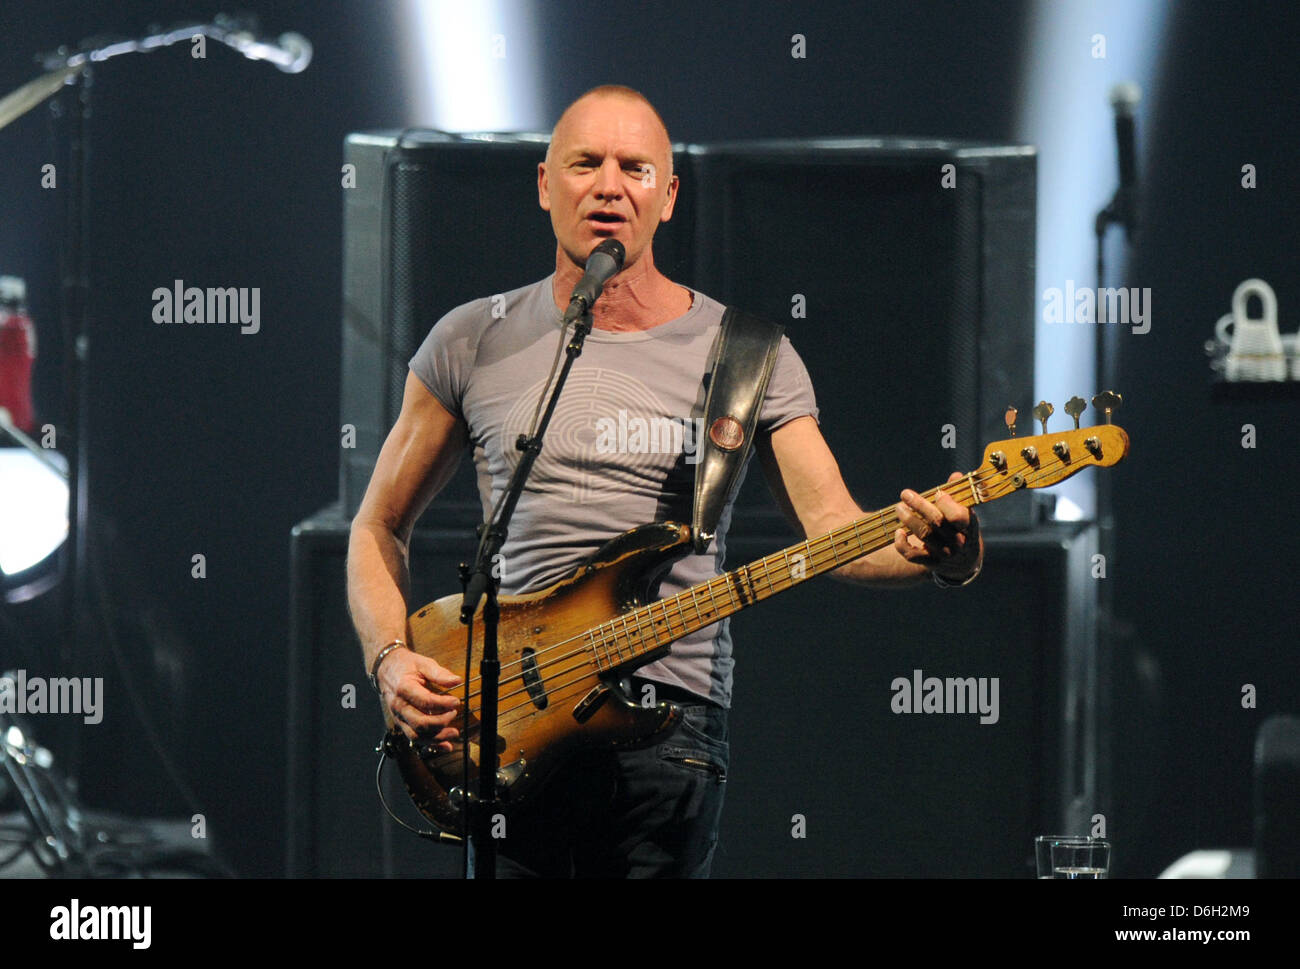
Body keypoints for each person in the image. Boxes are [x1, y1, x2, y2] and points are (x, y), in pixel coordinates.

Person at [346, 84, 983, 878]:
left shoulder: (748, 355)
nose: (609, 185)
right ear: (545, 184)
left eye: (635, 168)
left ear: (668, 196)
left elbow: (835, 534)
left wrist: (940, 554)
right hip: (505, 719)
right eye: (585, 163)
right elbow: (376, 527)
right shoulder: (472, 338)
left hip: (669, 730)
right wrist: (389, 660)